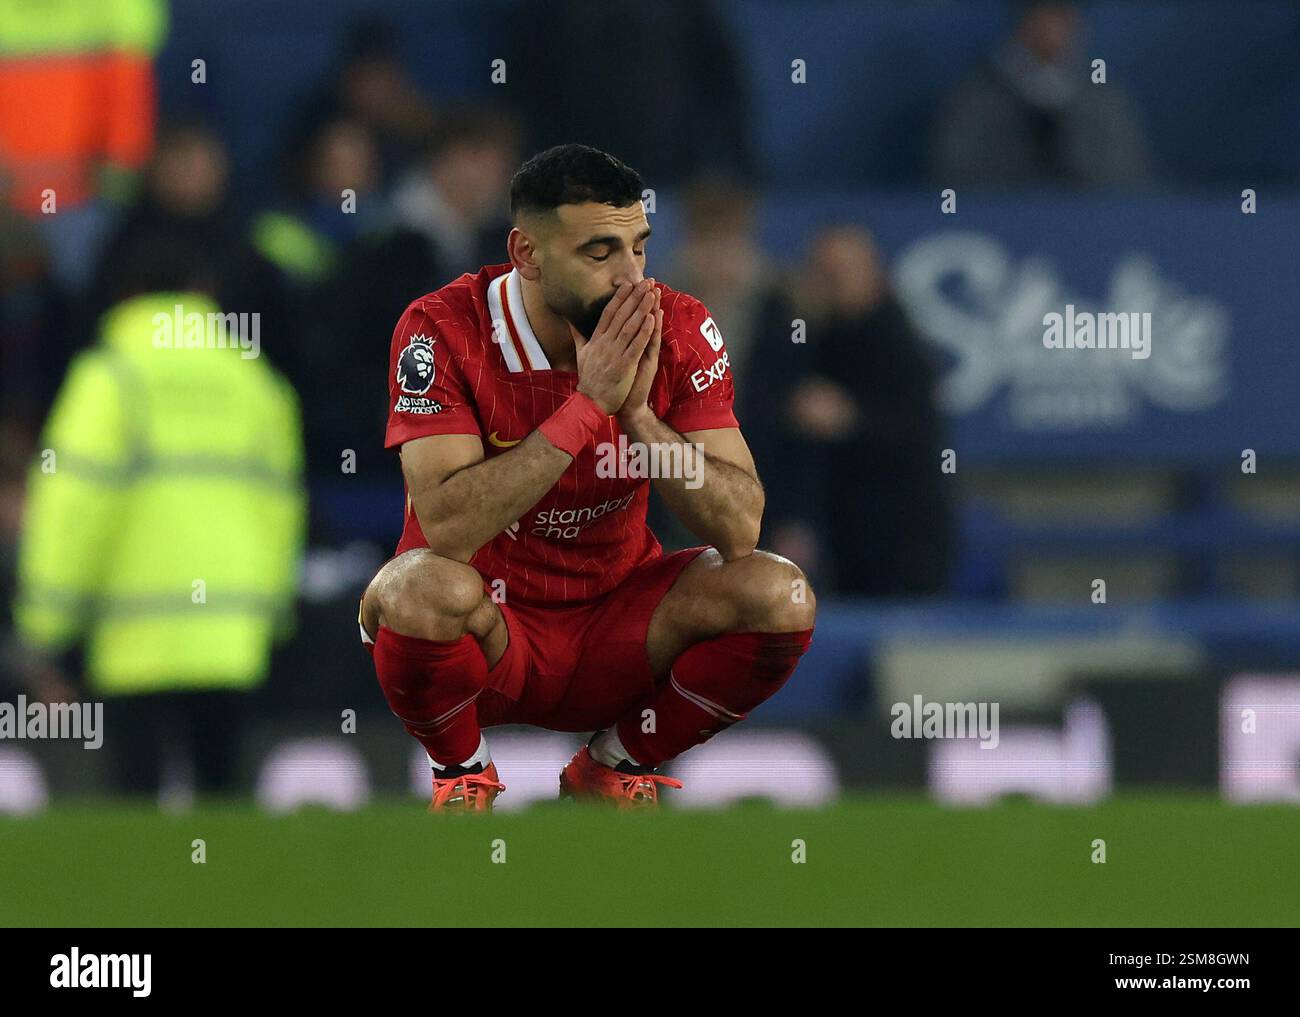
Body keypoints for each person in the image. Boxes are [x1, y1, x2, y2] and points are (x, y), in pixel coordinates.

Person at [360, 145, 816, 811]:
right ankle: (463, 772)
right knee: (414, 587)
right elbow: (446, 528)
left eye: (639, 247)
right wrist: (585, 408)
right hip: (491, 628)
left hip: (618, 626)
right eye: (601, 253)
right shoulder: (440, 329)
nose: (631, 277)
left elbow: (740, 525)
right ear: (528, 255)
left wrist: (637, 415)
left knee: (781, 594)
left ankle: (614, 765)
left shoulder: (681, 325)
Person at [12, 229, 307, 799]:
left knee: (136, 834)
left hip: (134, 638)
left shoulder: (111, 377)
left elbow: (73, 507)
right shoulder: (255, 382)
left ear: (126, 296)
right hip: (233, 635)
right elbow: (282, 510)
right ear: (204, 292)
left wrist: (45, 624)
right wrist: (271, 611)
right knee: (226, 825)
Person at [749, 226, 953, 597]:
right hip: (836, 535)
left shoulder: (896, 341)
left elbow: (918, 432)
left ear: (874, 273)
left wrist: (852, 420)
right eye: (824, 273)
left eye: (844, 271)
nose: (834, 283)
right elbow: (767, 411)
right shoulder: (808, 339)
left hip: (901, 539)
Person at [929, 0, 1150, 188]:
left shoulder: (1103, 101)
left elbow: (1126, 179)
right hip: (1000, 219)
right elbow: (952, 175)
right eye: (1042, 18)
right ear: (1022, 25)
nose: (1051, 30)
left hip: (1087, 222)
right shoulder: (976, 99)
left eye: (1062, 19)